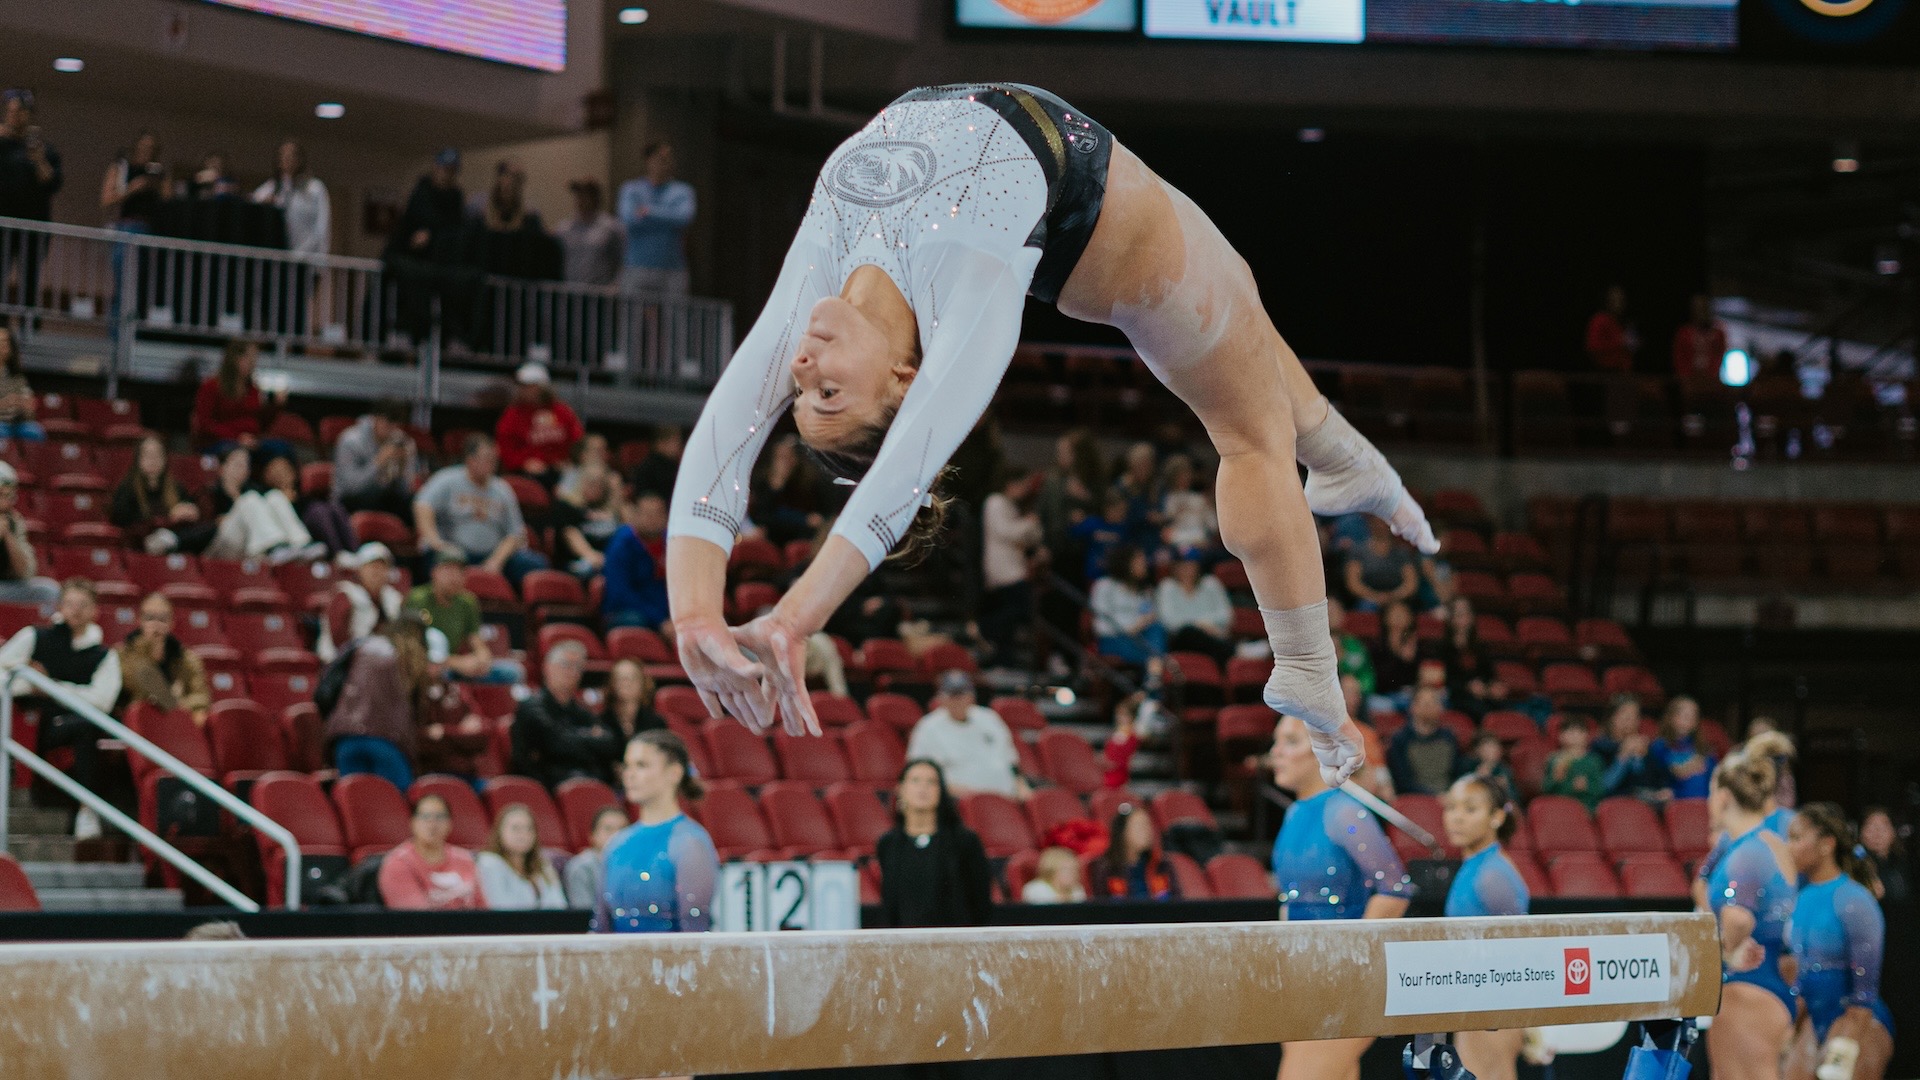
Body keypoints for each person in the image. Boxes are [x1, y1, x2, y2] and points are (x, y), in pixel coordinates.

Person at [664, 84, 1434, 805]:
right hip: (1099, 226)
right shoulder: (969, 295)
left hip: (1033, 137)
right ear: (906, 382)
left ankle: (1342, 460)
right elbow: (902, 473)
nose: (799, 367)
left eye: (804, 392)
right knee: (1250, 432)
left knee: (1247, 320)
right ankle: (1306, 665)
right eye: (828, 392)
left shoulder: (817, 283)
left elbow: (724, 433)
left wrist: (695, 615)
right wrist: (796, 618)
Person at [1267, 711, 1410, 1080]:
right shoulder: (1294, 813)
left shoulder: (1345, 811)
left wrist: (1347, 960)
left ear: (1321, 751)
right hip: (1301, 974)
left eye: (1291, 742)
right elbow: (1291, 900)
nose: (1276, 751)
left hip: (1341, 979)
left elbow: (1394, 890)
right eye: (1276, 741)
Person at [1705, 743, 1798, 1080]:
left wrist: (1717, 954)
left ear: (1724, 797)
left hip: (1747, 988)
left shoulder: (1745, 852)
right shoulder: (1772, 841)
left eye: (1710, 793)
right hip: (1769, 980)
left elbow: (1739, 918)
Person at [0, 579, 123, 836]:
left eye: (83, 605)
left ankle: (87, 810)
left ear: (94, 611)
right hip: (39, 726)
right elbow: (3, 671)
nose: (75, 610)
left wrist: (50, 686)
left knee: (88, 726)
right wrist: (31, 685)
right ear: (60, 606)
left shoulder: (104, 655)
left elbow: (102, 701)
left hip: (81, 726)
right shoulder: (34, 636)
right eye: (69, 604)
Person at [1786, 803, 1892, 1080]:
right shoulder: (1800, 899)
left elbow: (1864, 992)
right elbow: (1802, 974)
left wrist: (1847, 1042)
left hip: (1859, 1016)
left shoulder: (1855, 901)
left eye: (1797, 838)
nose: (1790, 847)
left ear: (1826, 844)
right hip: (1814, 1016)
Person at [1441, 774, 1529, 1080]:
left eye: (1470, 809)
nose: (1456, 817)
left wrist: (1527, 1021)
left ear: (1496, 817)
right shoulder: (1475, 866)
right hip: (1474, 996)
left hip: (1494, 1003)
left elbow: (1520, 949)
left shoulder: (1492, 875)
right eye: (1451, 807)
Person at [597, 730, 720, 932]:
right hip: (620, 962)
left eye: (642, 765)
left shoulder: (690, 842)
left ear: (674, 773)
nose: (629, 774)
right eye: (627, 765)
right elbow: (600, 927)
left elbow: (695, 932)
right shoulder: (616, 844)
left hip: (672, 962)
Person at [413, 434, 548, 587]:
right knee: (436, 560)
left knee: (536, 563)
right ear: (470, 460)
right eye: (487, 459)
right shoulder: (447, 479)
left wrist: (496, 561)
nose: (491, 464)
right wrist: (437, 543)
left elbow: (515, 534)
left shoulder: (502, 490)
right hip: (454, 552)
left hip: (492, 555)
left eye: (494, 460)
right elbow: (423, 507)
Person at [875, 759, 993, 928]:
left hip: (956, 945)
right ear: (900, 789)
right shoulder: (888, 844)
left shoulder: (965, 841)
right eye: (915, 781)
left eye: (931, 782)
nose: (923, 788)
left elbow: (981, 903)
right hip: (903, 946)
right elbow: (889, 905)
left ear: (941, 791)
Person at [323, 615, 433, 792]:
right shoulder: (409, 652)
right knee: (396, 804)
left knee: (355, 803)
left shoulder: (360, 645)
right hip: (387, 740)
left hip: (345, 738)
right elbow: (419, 707)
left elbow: (327, 685)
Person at [384, 148, 477, 348]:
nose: (446, 174)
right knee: (411, 292)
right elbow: (408, 228)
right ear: (436, 168)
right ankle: (403, 331)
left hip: (440, 265)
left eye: (451, 170)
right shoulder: (421, 193)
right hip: (412, 263)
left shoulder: (456, 198)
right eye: (444, 168)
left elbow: (455, 230)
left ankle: (450, 337)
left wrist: (434, 237)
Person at [510, 641, 620, 788]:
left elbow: (609, 742)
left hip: (585, 779)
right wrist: (590, 737)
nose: (572, 672)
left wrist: (571, 738)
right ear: (547, 667)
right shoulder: (532, 706)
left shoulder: (579, 709)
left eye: (578, 667)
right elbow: (556, 743)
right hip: (544, 786)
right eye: (566, 665)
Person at [903, 670, 1022, 799]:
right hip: (960, 802)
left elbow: (1011, 763)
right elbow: (918, 773)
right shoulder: (928, 727)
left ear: (971, 696)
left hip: (1007, 799)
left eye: (961, 694)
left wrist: (1021, 787)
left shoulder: (990, 718)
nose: (957, 700)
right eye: (952, 695)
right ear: (941, 698)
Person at [407, 550, 522, 684]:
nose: (454, 577)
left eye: (460, 572)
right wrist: (456, 663)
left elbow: (475, 639)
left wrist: (482, 658)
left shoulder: (467, 602)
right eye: (448, 570)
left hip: (457, 666)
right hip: (427, 664)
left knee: (513, 672)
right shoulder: (417, 598)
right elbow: (411, 646)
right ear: (434, 572)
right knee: (439, 673)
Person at [0, 88, 63, 314]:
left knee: (29, 280)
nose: (15, 116)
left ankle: (28, 329)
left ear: (29, 115)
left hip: (33, 226)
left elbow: (53, 183)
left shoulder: (44, 150)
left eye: (20, 112)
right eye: (11, 111)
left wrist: (38, 159)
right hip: (3, 225)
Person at [115, 593, 211, 727]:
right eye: (150, 618)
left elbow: (201, 697)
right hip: (135, 724)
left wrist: (179, 705)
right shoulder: (123, 655)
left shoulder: (186, 658)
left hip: (175, 723)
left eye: (163, 619)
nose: (156, 624)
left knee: (200, 717)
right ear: (139, 620)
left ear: (172, 623)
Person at [979, 469, 1043, 669]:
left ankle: (1003, 658)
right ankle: (982, 628)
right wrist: (1028, 525)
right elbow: (1006, 532)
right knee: (1019, 609)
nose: (1023, 490)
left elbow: (1034, 537)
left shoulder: (1014, 508)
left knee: (1013, 619)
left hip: (1016, 568)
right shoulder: (995, 502)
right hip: (1003, 569)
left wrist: (1029, 526)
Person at [377, 793, 485, 910]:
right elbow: (416, 920)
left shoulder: (465, 859)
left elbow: (483, 910)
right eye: (425, 816)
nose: (432, 824)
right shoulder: (398, 863)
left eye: (439, 817)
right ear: (413, 823)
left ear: (450, 823)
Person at [618, 142, 695, 297]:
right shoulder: (631, 189)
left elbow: (683, 218)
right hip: (637, 266)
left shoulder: (683, 191)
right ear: (649, 160)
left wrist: (648, 212)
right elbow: (628, 219)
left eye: (669, 159)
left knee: (675, 319)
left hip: (672, 269)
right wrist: (667, 218)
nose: (667, 163)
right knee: (632, 319)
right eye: (661, 158)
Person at [109, 434, 206, 556]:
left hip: (173, 548)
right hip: (139, 550)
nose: (153, 460)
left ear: (165, 458)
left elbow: (191, 517)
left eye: (157, 455)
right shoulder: (127, 489)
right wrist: (169, 518)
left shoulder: (177, 488)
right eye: (148, 455)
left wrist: (191, 512)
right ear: (138, 459)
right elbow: (124, 523)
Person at [464, 161, 559, 283]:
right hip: (487, 284)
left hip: (515, 285)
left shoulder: (529, 216)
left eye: (517, 178)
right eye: (507, 175)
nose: (510, 182)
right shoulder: (479, 211)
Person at [191, 341, 286, 452]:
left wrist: (275, 406)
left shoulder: (252, 388)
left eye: (254, 359)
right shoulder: (211, 386)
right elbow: (205, 424)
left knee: (282, 450)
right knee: (238, 453)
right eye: (250, 359)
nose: (253, 364)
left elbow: (259, 423)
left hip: (250, 441)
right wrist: (236, 437)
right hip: (220, 442)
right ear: (236, 359)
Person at [495, 362, 583, 481]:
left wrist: (570, 462)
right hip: (526, 473)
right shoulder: (512, 414)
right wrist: (523, 463)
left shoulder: (561, 411)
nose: (525, 390)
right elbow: (504, 447)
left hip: (562, 470)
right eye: (522, 386)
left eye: (530, 385)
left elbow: (577, 440)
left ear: (542, 387)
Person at [332, 400, 419, 519]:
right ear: (375, 419)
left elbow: (403, 492)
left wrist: (402, 468)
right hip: (350, 500)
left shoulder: (401, 441)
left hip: (382, 498)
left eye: (396, 425)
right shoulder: (350, 440)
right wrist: (379, 461)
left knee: (417, 503)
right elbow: (351, 488)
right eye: (388, 424)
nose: (392, 430)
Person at [318, 542, 404, 662]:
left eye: (382, 567)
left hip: (380, 662)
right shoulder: (345, 594)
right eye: (372, 566)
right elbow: (339, 640)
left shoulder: (393, 598)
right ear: (360, 569)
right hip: (341, 663)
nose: (376, 572)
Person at [476, 804, 567, 910]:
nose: (523, 834)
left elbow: (560, 906)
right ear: (499, 832)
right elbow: (499, 907)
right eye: (516, 828)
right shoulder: (489, 863)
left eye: (529, 829)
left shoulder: (543, 865)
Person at [601, 492, 670, 631]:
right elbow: (620, 593)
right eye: (647, 514)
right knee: (635, 621)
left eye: (658, 514)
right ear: (635, 516)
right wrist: (659, 620)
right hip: (625, 611)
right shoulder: (622, 544)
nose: (653, 519)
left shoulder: (672, 542)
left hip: (664, 611)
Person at [1089, 543, 1164, 666]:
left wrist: (1148, 618)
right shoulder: (1104, 585)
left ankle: (1153, 674)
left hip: (1139, 639)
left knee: (1156, 628)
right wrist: (1132, 627)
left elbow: (1150, 618)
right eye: (1140, 561)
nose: (1145, 564)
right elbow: (1100, 627)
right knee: (1154, 656)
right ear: (1126, 562)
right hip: (1114, 639)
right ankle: (1155, 672)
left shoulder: (1145, 592)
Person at [252, 139, 330, 256]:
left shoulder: (315, 188)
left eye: (292, 155)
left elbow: (322, 227)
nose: (287, 159)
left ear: (300, 160)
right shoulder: (273, 187)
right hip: (278, 257)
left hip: (305, 256)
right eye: (283, 155)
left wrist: (321, 260)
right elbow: (253, 201)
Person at [1155, 550, 1233, 665]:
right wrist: (1201, 624)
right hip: (1180, 639)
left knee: (1207, 637)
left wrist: (1206, 626)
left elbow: (1226, 615)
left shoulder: (1211, 583)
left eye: (1191, 565)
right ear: (1175, 567)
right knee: (1188, 632)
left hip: (1210, 636)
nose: (1187, 569)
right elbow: (1169, 621)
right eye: (1182, 565)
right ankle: (1235, 651)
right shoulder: (1167, 586)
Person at [748, 433, 825, 547]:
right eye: (781, 457)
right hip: (770, 539)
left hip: (799, 539)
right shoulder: (761, 484)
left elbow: (815, 518)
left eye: (789, 457)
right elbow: (762, 519)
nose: (785, 462)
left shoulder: (806, 485)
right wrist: (777, 484)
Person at [552, 457, 623, 580]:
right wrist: (591, 555)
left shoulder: (612, 510)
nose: (595, 487)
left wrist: (616, 492)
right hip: (581, 562)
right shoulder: (567, 506)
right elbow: (571, 535)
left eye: (600, 483)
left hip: (611, 560)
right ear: (581, 481)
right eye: (590, 481)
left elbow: (628, 531)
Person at [1437, 596, 1507, 718]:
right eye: (1459, 611)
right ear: (1451, 617)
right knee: (1482, 712)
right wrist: (1467, 687)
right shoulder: (1442, 648)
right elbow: (1443, 679)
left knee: (1505, 710)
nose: (1464, 615)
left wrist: (1492, 686)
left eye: (1467, 611)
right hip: (1457, 697)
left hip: (1483, 696)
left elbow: (1489, 674)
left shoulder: (1480, 647)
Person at [0, 462, 57, 607]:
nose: (5, 502)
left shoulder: (13, 521)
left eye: (9, 496)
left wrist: (7, 536)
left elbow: (25, 573)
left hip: (5, 587)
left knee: (49, 591)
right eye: (1, 495)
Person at [1093, 802, 1177, 900]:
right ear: (1123, 832)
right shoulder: (1106, 868)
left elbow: (1176, 902)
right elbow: (1101, 907)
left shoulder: (1162, 864)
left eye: (1148, 825)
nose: (1147, 831)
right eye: (1140, 826)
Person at [1387, 686, 1459, 796]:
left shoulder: (1448, 737)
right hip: (1416, 799)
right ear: (1413, 707)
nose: (1430, 708)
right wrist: (1434, 795)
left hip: (1448, 796)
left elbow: (1456, 771)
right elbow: (1402, 783)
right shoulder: (1400, 739)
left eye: (1434, 703)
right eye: (1426, 704)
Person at [1596, 694, 1669, 800]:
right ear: (1611, 718)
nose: (1628, 719)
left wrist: (1639, 759)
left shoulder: (1647, 748)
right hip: (1614, 804)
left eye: (1634, 714)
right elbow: (1604, 787)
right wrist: (1623, 755)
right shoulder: (1600, 747)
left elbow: (1655, 783)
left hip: (1645, 805)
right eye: (1623, 713)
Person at [557, 177, 623, 287]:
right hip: (570, 294)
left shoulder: (611, 228)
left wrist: (616, 284)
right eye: (578, 195)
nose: (580, 199)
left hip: (598, 295)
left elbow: (622, 259)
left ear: (595, 198)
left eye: (585, 195)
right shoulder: (564, 229)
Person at [1343, 517, 1418, 613]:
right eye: (1377, 523)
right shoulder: (1358, 552)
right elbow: (1353, 583)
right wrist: (1375, 597)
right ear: (1370, 525)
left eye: (1384, 523)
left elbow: (1411, 584)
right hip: (1367, 600)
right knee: (1366, 607)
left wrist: (1393, 596)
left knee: (1399, 612)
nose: (1380, 526)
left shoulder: (1402, 553)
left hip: (1397, 600)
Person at [564, 805, 630, 909]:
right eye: (608, 829)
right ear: (592, 835)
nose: (616, 835)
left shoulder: (634, 865)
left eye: (622, 829)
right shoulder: (581, 868)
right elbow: (583, 914)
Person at [1650, 696, 1714, 801]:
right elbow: (1659, 776)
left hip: (1704, 803)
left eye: (1693, 715)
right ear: (1671, 717)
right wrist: (1681, 770)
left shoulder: (1704, 749)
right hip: (1676, 803)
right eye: (1684, 714)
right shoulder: (1659, 746)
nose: (1689, 718)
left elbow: (1714, 776)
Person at [100, 131, 167, 231]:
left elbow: (168, 200)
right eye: (143, 147)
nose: (147, 152)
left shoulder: (158, 172)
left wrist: (156, 185)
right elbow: (106, 200)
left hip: (151, 227)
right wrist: (133, 188)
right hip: (124, 226)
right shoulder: (121, 169)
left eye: (151, 149)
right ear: (136, 147)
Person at [1542, 714, 1606, 811]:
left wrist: (1587, 786)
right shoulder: (1554, 760)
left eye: (1579, 731)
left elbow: (1601, 788)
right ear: (1560, 736)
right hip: (1561, 808)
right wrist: (1556, 778)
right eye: (1569, 731)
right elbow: (1546, 789)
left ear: (1587, 735)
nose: (1574, 735)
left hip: (1588, 808)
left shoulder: (1594, 761)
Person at [1157, 454, 1219, 552]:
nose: (1184, 479)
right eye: (1180, 476)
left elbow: (1213, 525)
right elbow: (1166, 521)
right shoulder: (1168, 499)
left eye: (1186, 475)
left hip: (1198, 537)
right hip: (1177, 537)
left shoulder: (1199, 498)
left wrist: (1209, 507)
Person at [601, 658, 665, 742]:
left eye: (632, 678)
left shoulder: (656, 723)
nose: (626, 683)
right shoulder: (601, 722)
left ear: (643, 683)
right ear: (611, 683)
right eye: (620, 678)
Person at [1369, 599, 1420, 707]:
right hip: (1386, 697)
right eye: (1394, 613)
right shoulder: (1377, 645)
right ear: (1385, 617)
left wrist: (1410, 660)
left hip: (1412, 695)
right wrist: (1399, 659)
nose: (1398, 617)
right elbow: (1377, 681)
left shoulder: (1418, 644)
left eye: (1402, 613)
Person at [0, 326, 44, 441]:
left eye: (5, 342)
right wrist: (5, 403)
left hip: (17, 422)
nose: (2, 346)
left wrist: (26, 404)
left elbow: (29, 405)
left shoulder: (17, 376)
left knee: (34, 431)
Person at [1673, 293, 1727, 383]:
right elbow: (1678, 355)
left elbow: (1719, 354)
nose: (1701, 312)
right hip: (1689, 377)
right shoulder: (1684, 333)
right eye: (1698, 309)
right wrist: (1685, 374)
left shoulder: (1718, 333)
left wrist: (1711, 373)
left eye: (1704, 308)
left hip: (1710, 378)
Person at [1327, 595, 1375, 697]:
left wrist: (1357, 688)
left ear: (1343, 615)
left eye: (1334, 610)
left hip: (1354, 696)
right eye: (1326, 610)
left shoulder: (1355, 645)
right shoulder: (1311, 646)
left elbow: (1367, 677)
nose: (1330, 614)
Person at [1858, 808, 1908, 902]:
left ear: (1893, 833)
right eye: (1870, 827)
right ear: (1861, 832)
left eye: (1883, 828)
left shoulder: (1904, 861)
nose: (1877, 834)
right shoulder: (1857, 859)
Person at [1586, 284, 1638, 373]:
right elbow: (1592, 346)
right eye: (1615, 299)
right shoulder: (1599, 320)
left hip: (1623, 373)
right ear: (1607, 299)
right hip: (1606, 374)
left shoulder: (1619, 322)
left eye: (1621, 299)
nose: (1619, 302)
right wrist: (1620, 342)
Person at [625, 425, 683, 500]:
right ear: (662, 442)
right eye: (675, 441)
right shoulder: (653, 468)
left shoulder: (673, 466)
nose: (679, 445)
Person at [1462, 731, 1516, 802]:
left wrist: (1502, 788)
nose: (1494, 749)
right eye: (1488, 746)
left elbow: (1513, 801)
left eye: (1495, 745)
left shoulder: (1504, 771)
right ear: (1477, 750)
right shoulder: (1467, 767)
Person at [1104, 693, 1142, 790]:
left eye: (1124, 715)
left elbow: (1127, 756)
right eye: (1119, 715)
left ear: (1131, 717)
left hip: (1120, 772)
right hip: (1107, 771)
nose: (1120, 718)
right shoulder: (1116, 733)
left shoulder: (1132, 735)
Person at [1022, 846, 1086, 903]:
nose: (1073, 874)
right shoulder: (1036, 890)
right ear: (1051, 871)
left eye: (1075, 870)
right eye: (1067, 869)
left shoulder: (1077, 890)